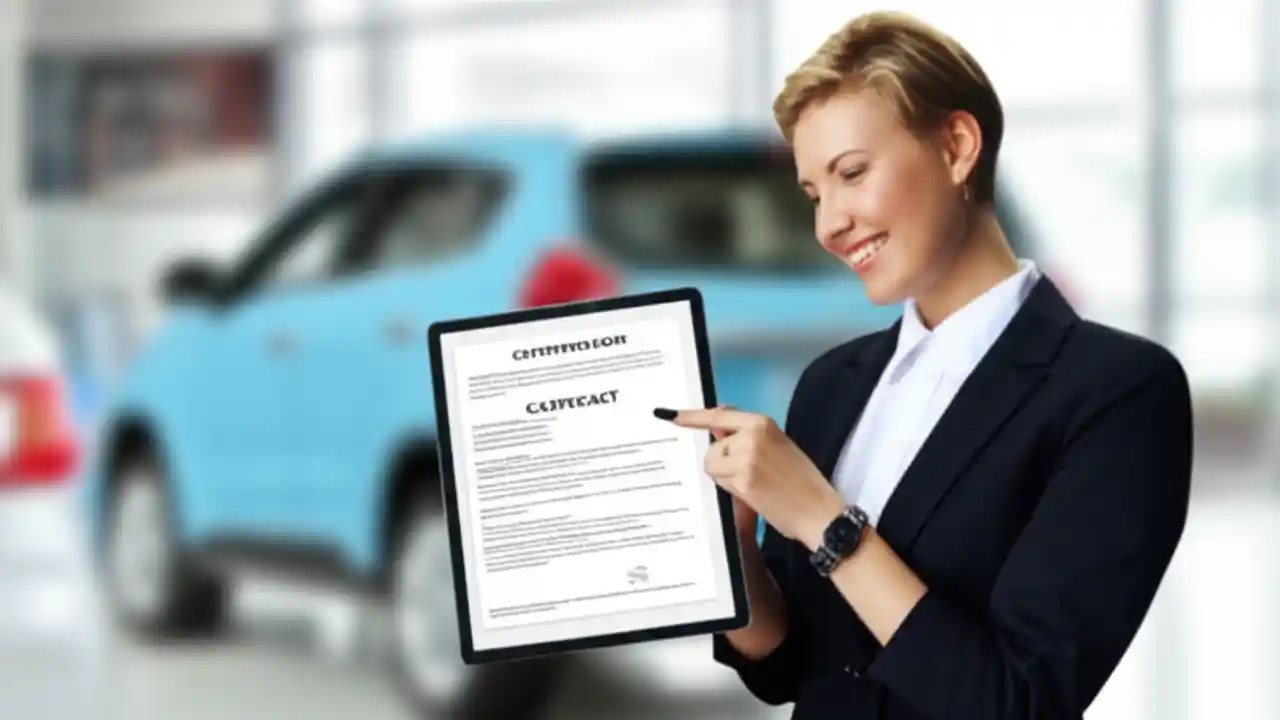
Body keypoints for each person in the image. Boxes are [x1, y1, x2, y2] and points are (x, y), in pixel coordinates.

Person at [651, 11, 1192, 720]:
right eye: (813, 194)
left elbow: (1020, 701)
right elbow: (787, 667)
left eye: (852, 173)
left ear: (957, 148)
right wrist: (733, 551)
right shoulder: (831, 384)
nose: (828, 224)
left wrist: (823, 519)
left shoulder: (1118, 391)